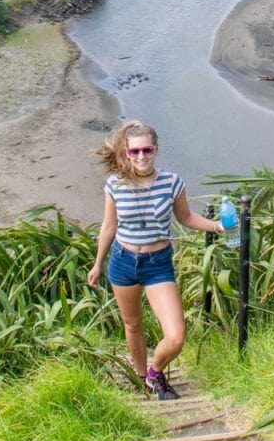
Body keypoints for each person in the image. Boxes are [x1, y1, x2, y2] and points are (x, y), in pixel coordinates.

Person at [87, 120, 223, 400]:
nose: (141, 157)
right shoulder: (114, 184)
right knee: (132, 324)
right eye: (134, 151)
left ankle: (154, 372)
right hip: (123, 261)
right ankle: (140, 378)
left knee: (175, 336)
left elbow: (186, 218)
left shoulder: (172, 182)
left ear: (156, 150)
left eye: (146, 150)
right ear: (126, 152)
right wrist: (98, 263)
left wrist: (219, 226)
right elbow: (108, 226)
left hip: (158, 264)